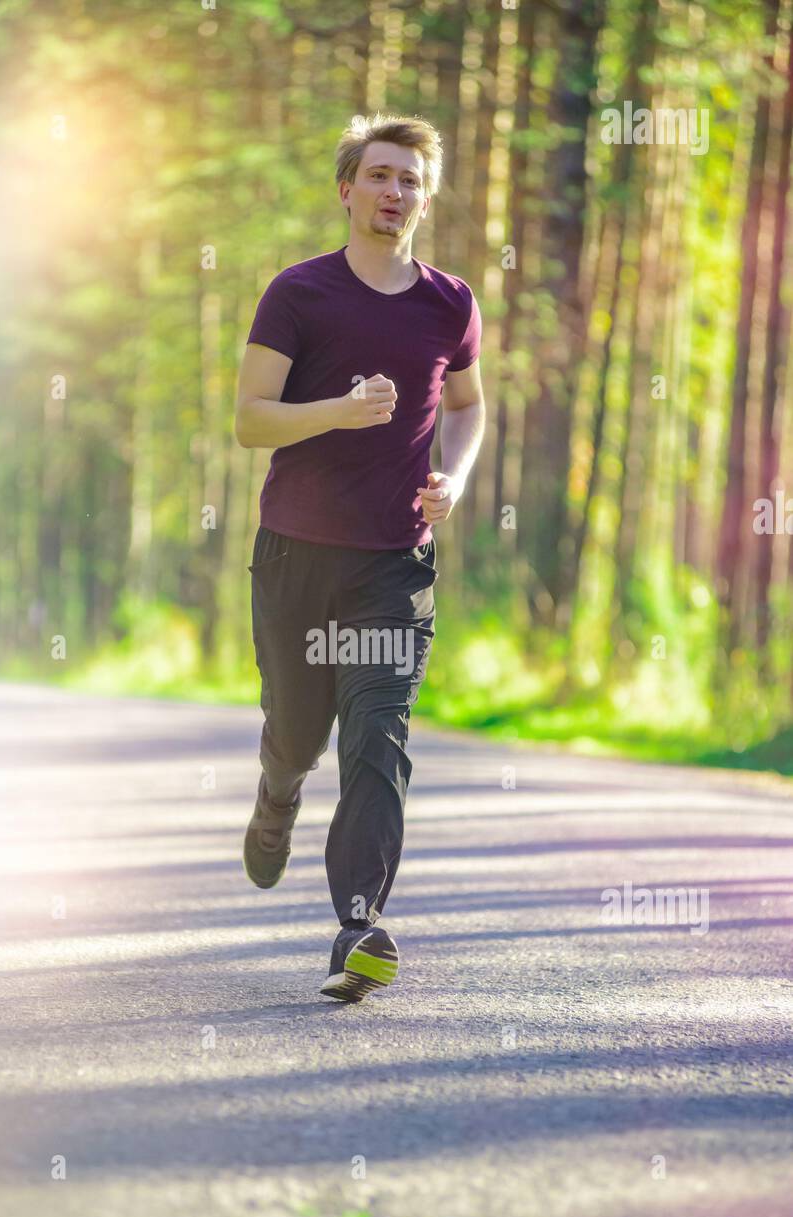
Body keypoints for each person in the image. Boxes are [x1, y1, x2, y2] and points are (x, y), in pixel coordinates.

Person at [234, 112, 485, 1002]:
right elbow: (250, 420)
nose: (394, 192)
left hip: (392, 564)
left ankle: (357, 928)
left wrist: (451, 480)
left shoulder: (449, 301)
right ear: (348, 188)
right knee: (298, 735)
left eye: (410, 180)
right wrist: (334, 411)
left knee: (377, 738)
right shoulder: (298, 294)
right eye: (379, 175)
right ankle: (275, 793)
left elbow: (465, 406)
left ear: (425, 195)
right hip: (297, 556)